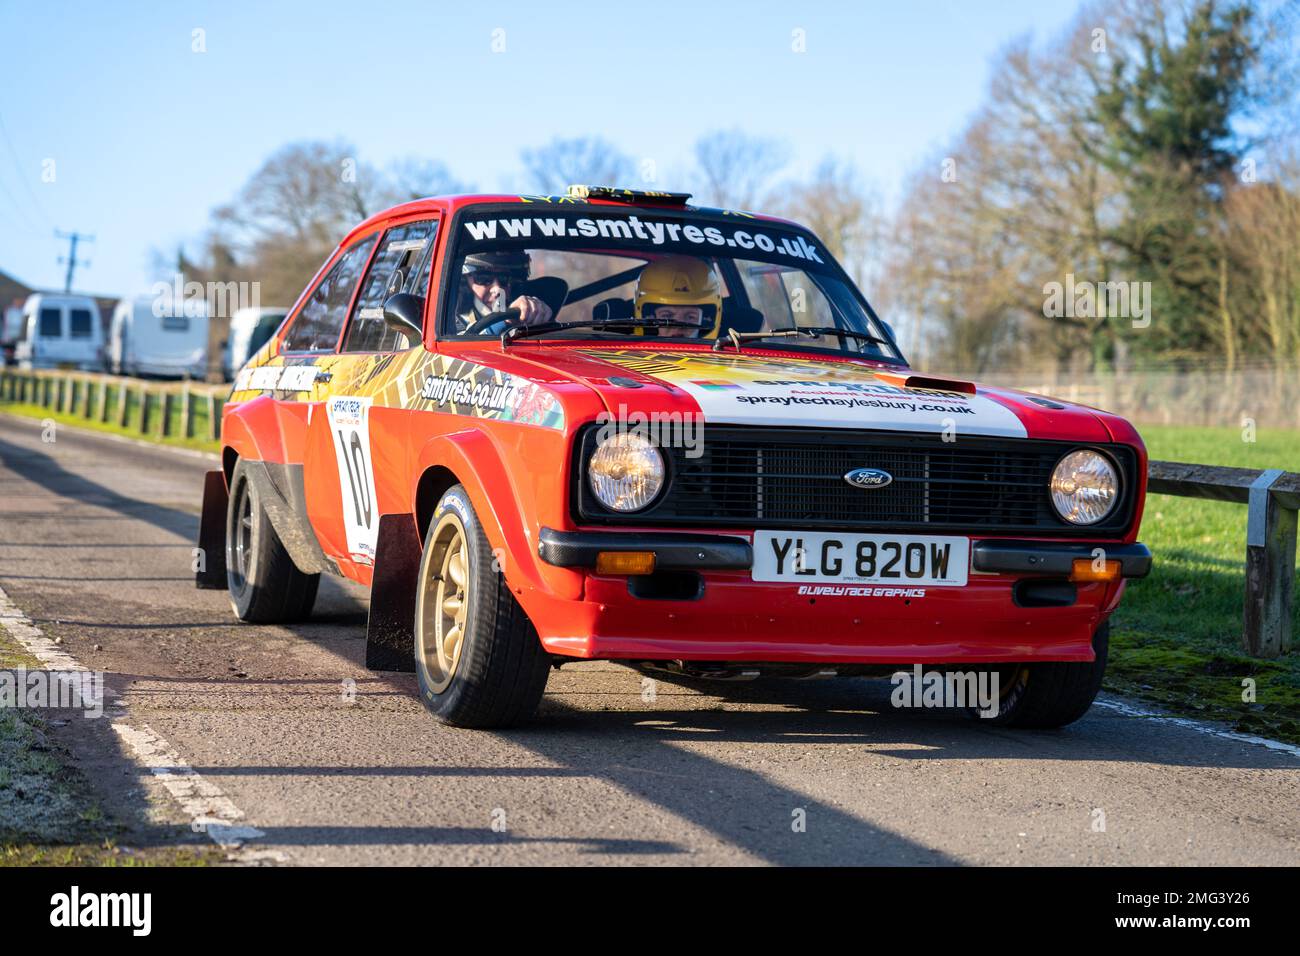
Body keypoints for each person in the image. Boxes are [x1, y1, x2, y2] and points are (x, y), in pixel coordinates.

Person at [454, 250, 553, 334]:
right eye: (483, 277)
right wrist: (506, 321)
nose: (497, 288)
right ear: (464, 281)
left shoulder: (525, 315)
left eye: (503, 278)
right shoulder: (447, 322)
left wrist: (538, 317)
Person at [632, 255, 723, 338]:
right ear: (649, 319)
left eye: (690, 317)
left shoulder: (733, 345)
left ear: (704, 321)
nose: (678, 329)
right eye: (667, 316)